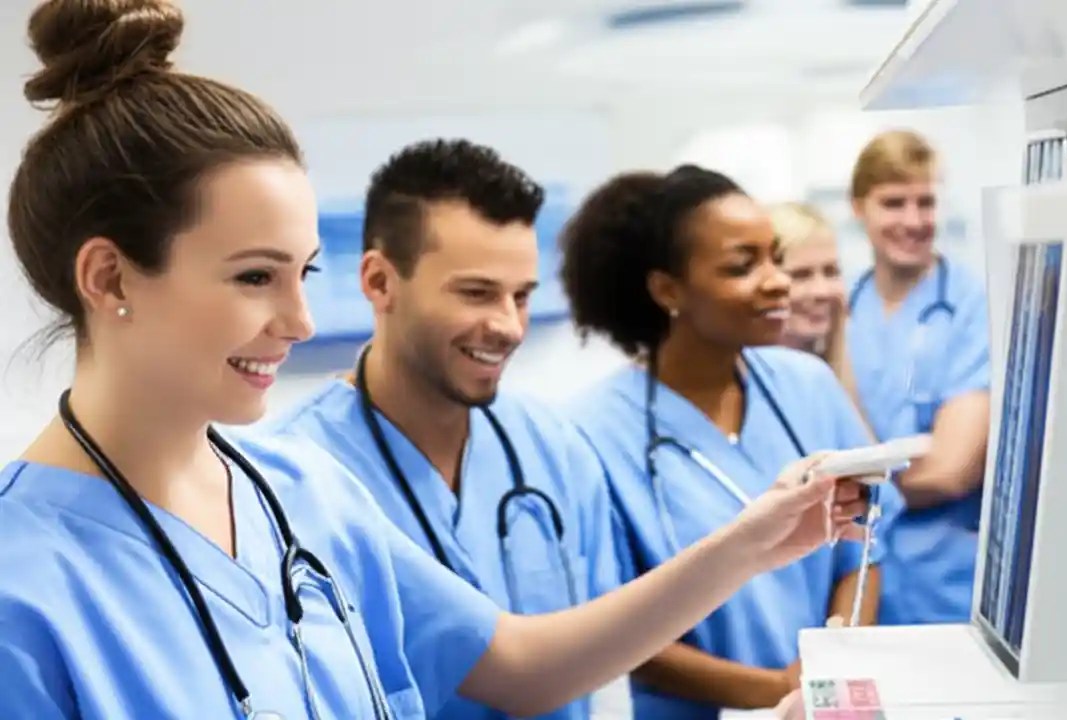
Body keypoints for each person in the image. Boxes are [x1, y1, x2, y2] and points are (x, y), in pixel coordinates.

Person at [0, 2, 872, 718]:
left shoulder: (300, 492)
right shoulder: (22, 589)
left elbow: (522, 666)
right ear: (110, 277)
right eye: (255, 276)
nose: (301, 321)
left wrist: (751, 546)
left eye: (304, 273)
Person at [261, 139, 621, 720]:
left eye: (522, 296)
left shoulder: (555, 450)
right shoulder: (289, 478)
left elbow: (604, 655)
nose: (508, 326)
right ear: (380, 282)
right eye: (477, 293)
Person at [560, 164, 902, 720]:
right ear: (667, 289)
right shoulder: (591, 433)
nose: (777, 281)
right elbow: (612, 626)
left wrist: (828, 672)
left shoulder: (807, 386)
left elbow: (864, 552)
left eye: (774, 257)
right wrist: (775, 689)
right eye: (743, 266)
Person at [843, 129, 990, 626]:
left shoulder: (970, 307)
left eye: (925, 202)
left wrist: (853, 487)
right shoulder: (841, 308)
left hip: (942, 586)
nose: (913, 221)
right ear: (859, 207)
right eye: (893, 203)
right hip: (855, 579)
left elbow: (950, 470)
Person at [768, 201, 876, 441]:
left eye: (831, 272)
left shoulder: (847, 364)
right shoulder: (751, 385)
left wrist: (838, 347)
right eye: (800, 275)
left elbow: (865, 455)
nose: (822, 291)